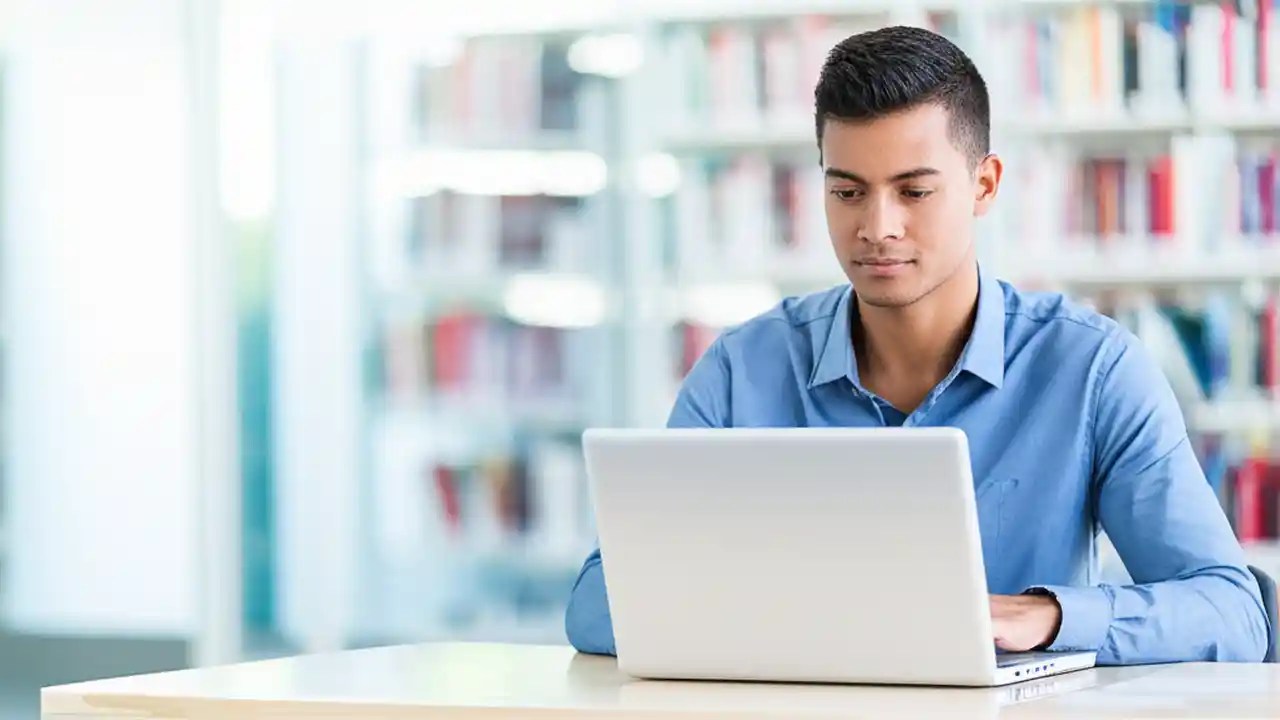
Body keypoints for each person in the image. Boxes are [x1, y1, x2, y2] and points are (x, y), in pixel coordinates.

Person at [565, 25, 1269, 664]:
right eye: (847, 193)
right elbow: (597, 606)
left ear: (984, 185)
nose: (878, 227)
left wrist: (1052, 616)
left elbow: (1233, 615)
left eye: (914, 191)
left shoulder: (1090, 368)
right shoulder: (741, 369)